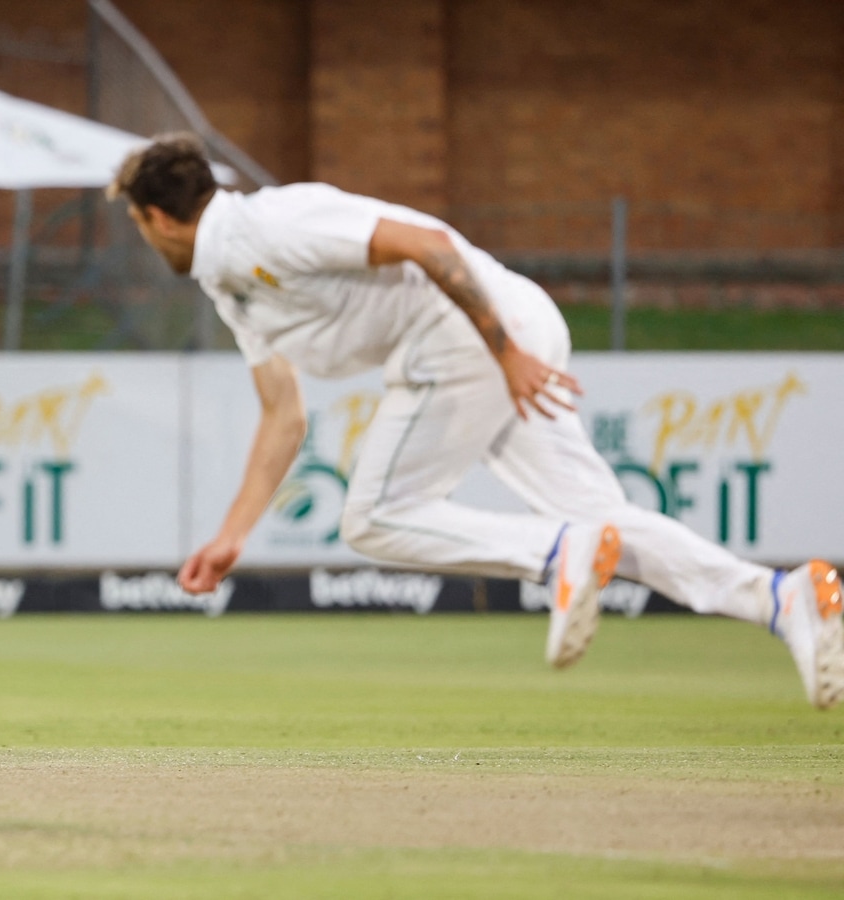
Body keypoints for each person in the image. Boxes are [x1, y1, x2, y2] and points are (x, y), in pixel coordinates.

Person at [108, 135, 842, 709]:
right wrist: (233, 535)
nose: (141, 238)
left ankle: (560, 554)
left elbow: (428, 245)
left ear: (158, 217)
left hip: (475, 334)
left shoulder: (272, 221)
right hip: (492, 341)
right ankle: (777, 599)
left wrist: (506, 352)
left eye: (136, 224)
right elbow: (282, 415)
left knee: (372, 517)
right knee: (602, 519)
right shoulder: (228, 281)